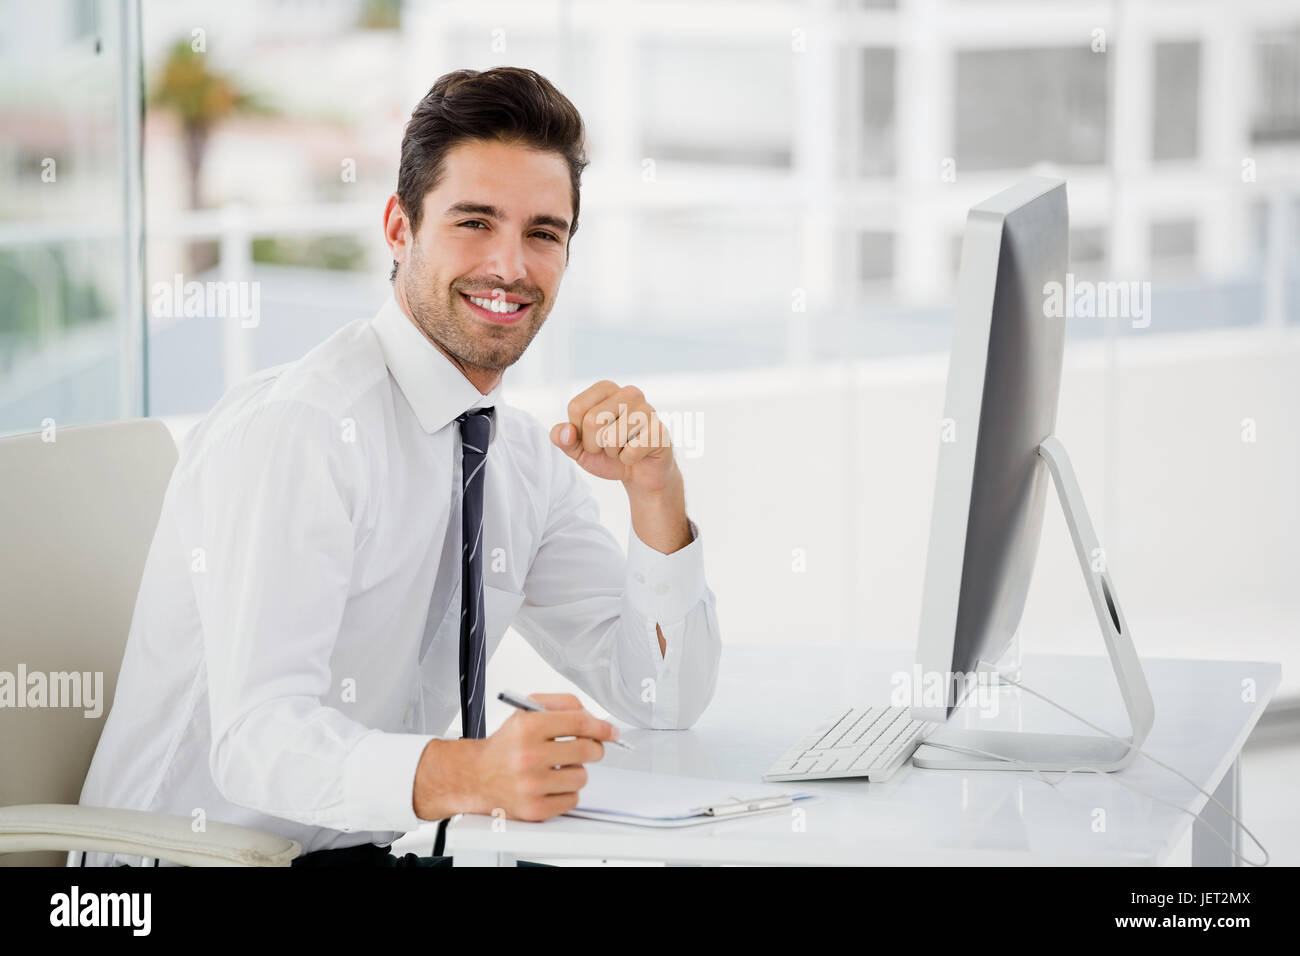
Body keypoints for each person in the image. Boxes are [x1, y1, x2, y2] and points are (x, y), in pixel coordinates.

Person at [78, 67, 722, 868]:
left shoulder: (517, 457)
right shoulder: (304, 432)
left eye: (543, 233)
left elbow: (663, 697)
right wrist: (474, 773)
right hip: (181, 865)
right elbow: (257, 741)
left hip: (374, 849)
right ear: (398, 228)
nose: (511, 266)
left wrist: (655, 490)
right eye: (474, 222)